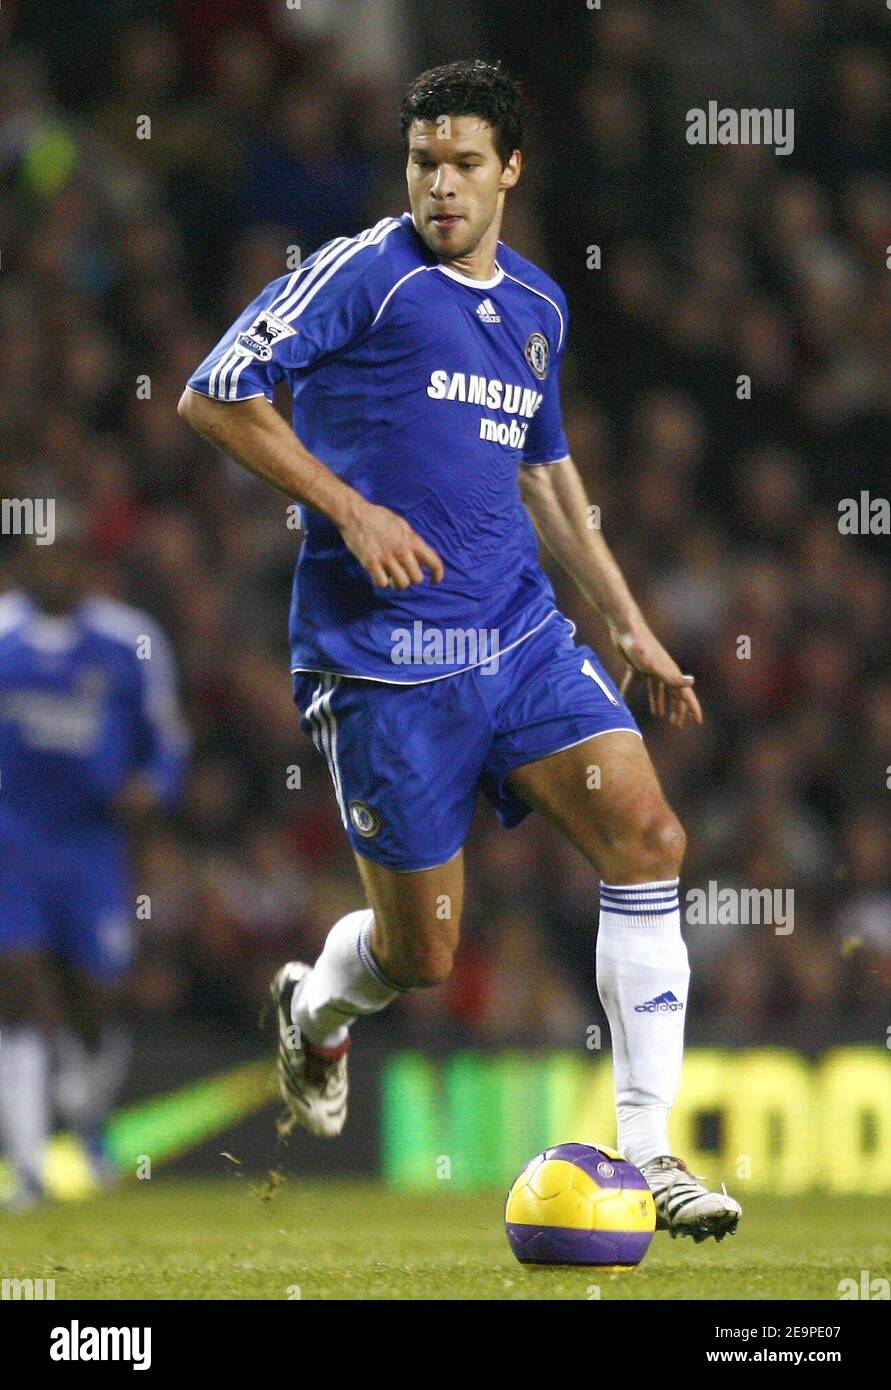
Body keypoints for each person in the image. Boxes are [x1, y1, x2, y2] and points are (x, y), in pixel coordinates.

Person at [179, 59, 741, 1242]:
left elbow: (545, 473)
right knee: (419, 951)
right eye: (424, 161)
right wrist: (351, 509)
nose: (441, 185)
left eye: (465, 164)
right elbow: (216, 391)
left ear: (510, 171)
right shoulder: (363, 274)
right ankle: (315, 1013)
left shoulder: (538, 306)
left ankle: (652, 1149)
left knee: (649, 833)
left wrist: (628, 624)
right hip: (383, 663)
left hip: (522, 637)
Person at [0, 539, 188, 1208]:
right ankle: (26, 1169)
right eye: (45, 559)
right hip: (12, 842)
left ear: (90, 567)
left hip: (92, 849)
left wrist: (151, 788)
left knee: (92, 1003)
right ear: (23, 567)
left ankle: (86, 1123)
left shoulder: (130, 641)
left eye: (71, 558)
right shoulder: (3, 635)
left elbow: (166, 739)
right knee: (15, 989)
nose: (60, 570)